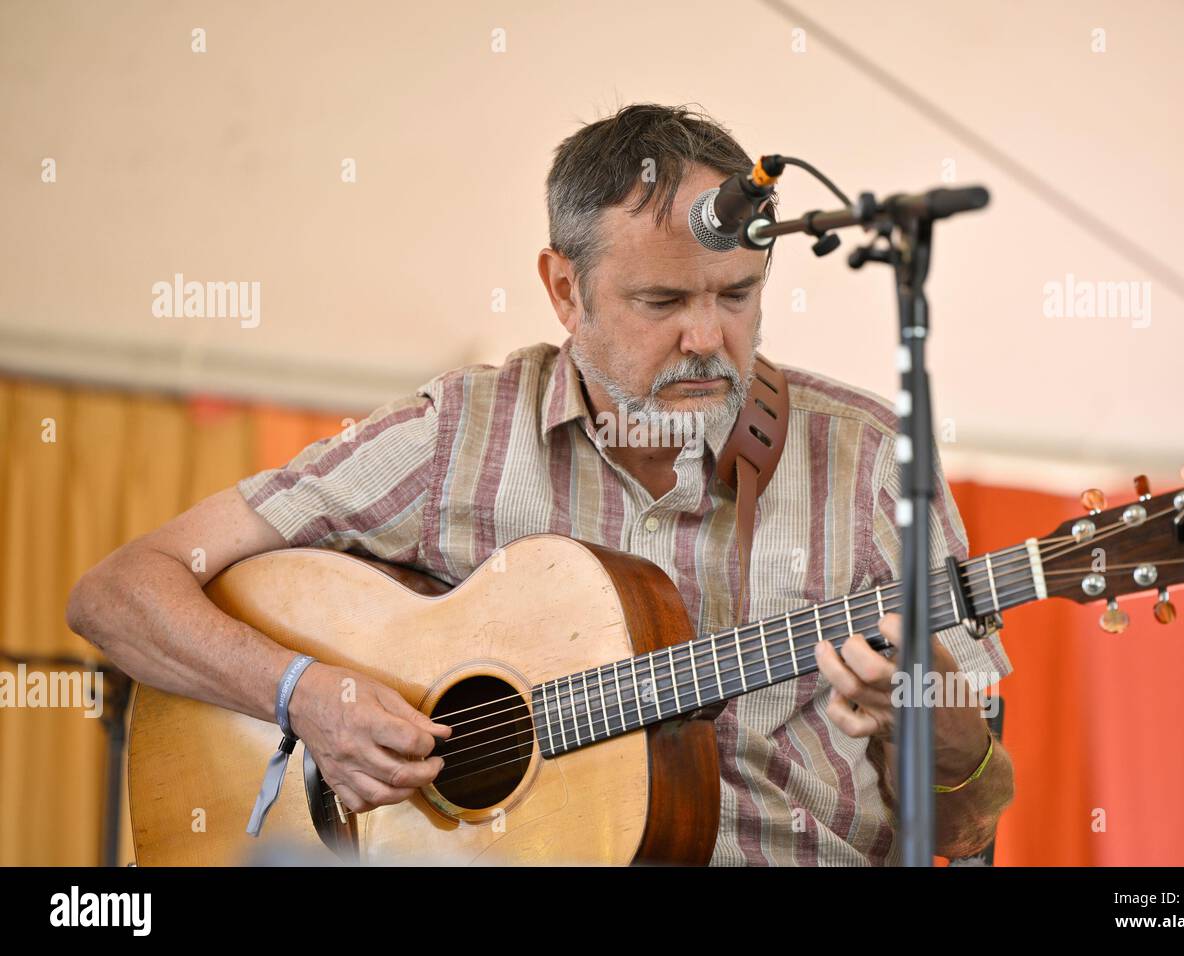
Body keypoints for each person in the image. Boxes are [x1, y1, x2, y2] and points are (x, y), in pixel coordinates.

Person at [67, 102, 1013, 865]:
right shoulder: (457, 436)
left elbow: (970, 831)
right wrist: (307, 696)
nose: (705, 337)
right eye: (661, 302)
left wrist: (931, 721)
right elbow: (118, 592)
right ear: (563, 289)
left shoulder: (871, 463)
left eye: (736, 296)